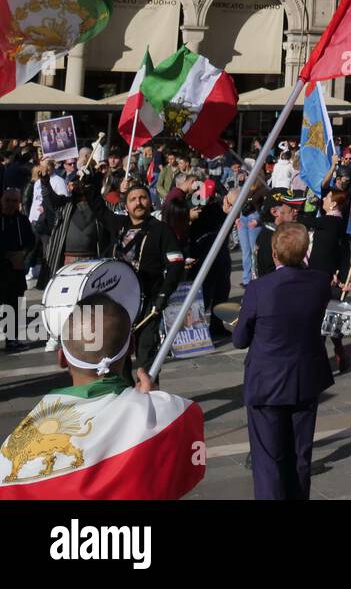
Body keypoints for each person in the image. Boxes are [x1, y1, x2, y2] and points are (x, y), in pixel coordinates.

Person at [0, 294, 205, 499]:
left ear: (62, 358)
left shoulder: (11, 453)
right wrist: (153, 407)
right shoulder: (171, 415)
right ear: (131, 347)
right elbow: (189, 465)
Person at [233, 222, 333, 500]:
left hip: (268, 382)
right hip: (304, 380)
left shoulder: (259, 288)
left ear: (274, 253)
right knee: (300, 457)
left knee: (268, 462)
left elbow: (240, 339)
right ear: (304, 253)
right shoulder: (320, 282)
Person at [95, 184, 186, 373]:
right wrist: (90, 182)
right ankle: (127, 396)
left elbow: (176, 264)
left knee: (146, 356)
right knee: (119, 357)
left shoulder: (162, 230)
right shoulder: (119, 226)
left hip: (148, 302)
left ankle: (150, 396)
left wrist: (163, 295)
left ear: (150, 201)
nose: (138, 203)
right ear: (126, 205)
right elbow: (98, 208)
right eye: (133, 199)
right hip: (119, 303)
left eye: (143, 198)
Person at [301, 188, 351, 372]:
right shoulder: (338, 222)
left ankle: (318, 362)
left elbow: (305, 220)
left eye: (327, 197)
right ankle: (340, 353)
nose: (324, 199)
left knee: (321, 320)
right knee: (331, 317)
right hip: (330, 276)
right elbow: (344, 254)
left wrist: (304, 205)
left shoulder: (330, 221)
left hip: (322, 277)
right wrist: (344, 278)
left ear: (333, 204)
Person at [0, 188, 34, 351]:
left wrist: (23, 255)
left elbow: (30, 242)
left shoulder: (22, 220)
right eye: (7, 200)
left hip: (16, 269)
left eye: (14, 201)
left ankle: (12, 339)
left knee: (13, 304)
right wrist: (7, 254)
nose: (11, 205)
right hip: (2, 267)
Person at [254, 191, 306, 279]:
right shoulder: (268, 237)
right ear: (274, 212)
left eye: (296, 207)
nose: (296, 210)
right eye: (291, 207)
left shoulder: (278, 232)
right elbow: (269, 272)